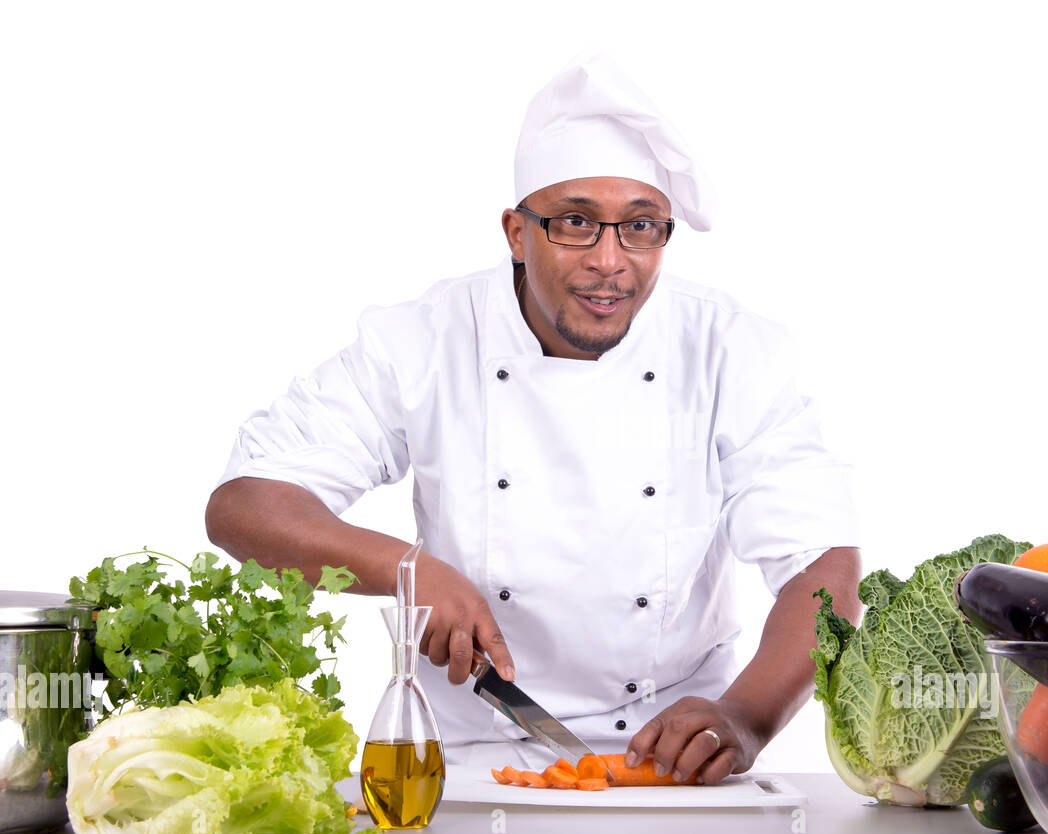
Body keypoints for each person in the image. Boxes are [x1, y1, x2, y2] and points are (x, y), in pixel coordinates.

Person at [205, 55, 863, 783]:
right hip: (460, 764)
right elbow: (247, 502)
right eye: (576, 223)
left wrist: (745, 716)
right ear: (517, 232)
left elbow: (823, 570)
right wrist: (407, 570)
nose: (611, 261)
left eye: (640, 227)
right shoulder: (425, 341)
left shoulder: (727, 350)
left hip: (669, 764)